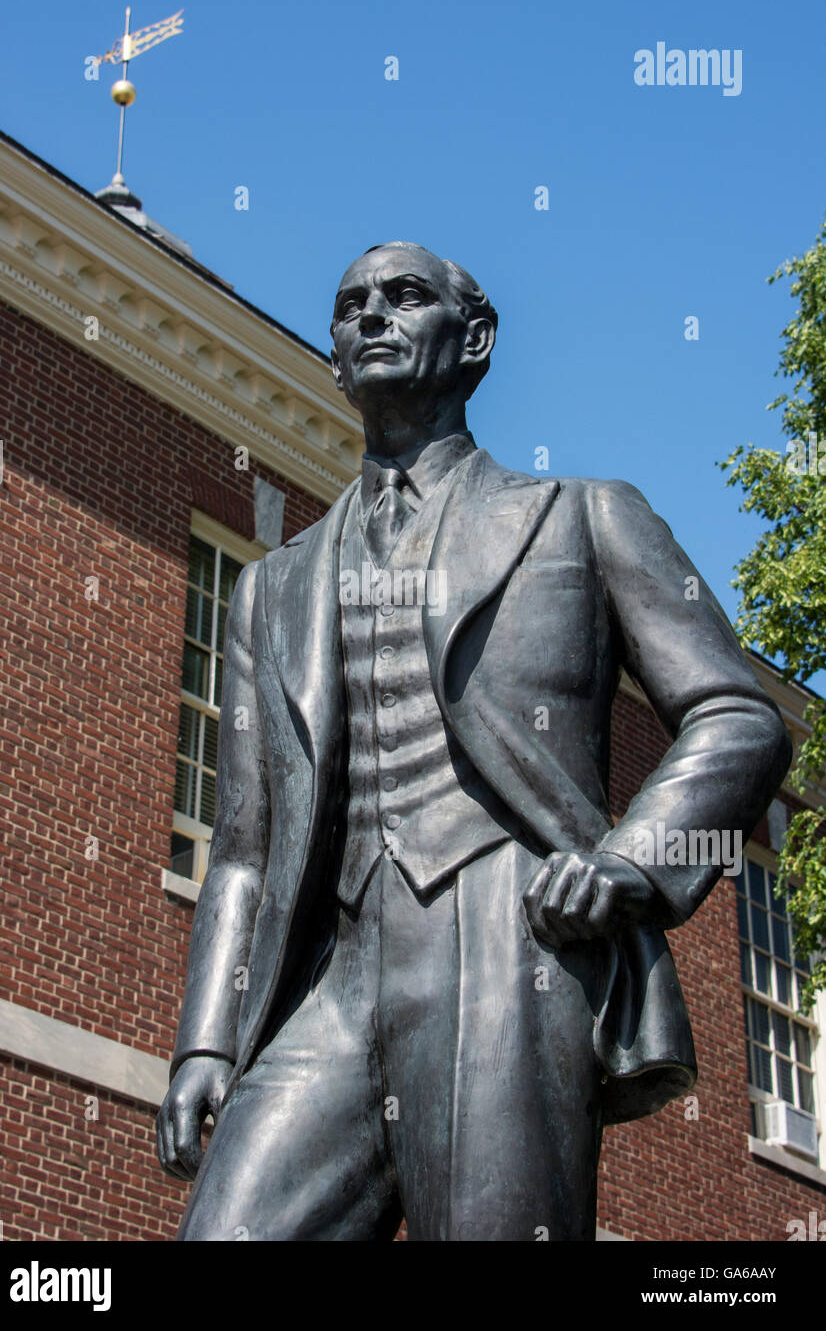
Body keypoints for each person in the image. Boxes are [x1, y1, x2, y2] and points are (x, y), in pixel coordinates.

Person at [157, 241, 791, 1240]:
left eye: (404, 297)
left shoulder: (580, 518)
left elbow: (737, 715)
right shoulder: (269, 590)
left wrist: (628, 861)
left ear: (475, 337)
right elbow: (243, 845)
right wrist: (204, 1041)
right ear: (332, 357)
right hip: (334, 968)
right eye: (349, 306)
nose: (370, 316)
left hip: (508, 937)